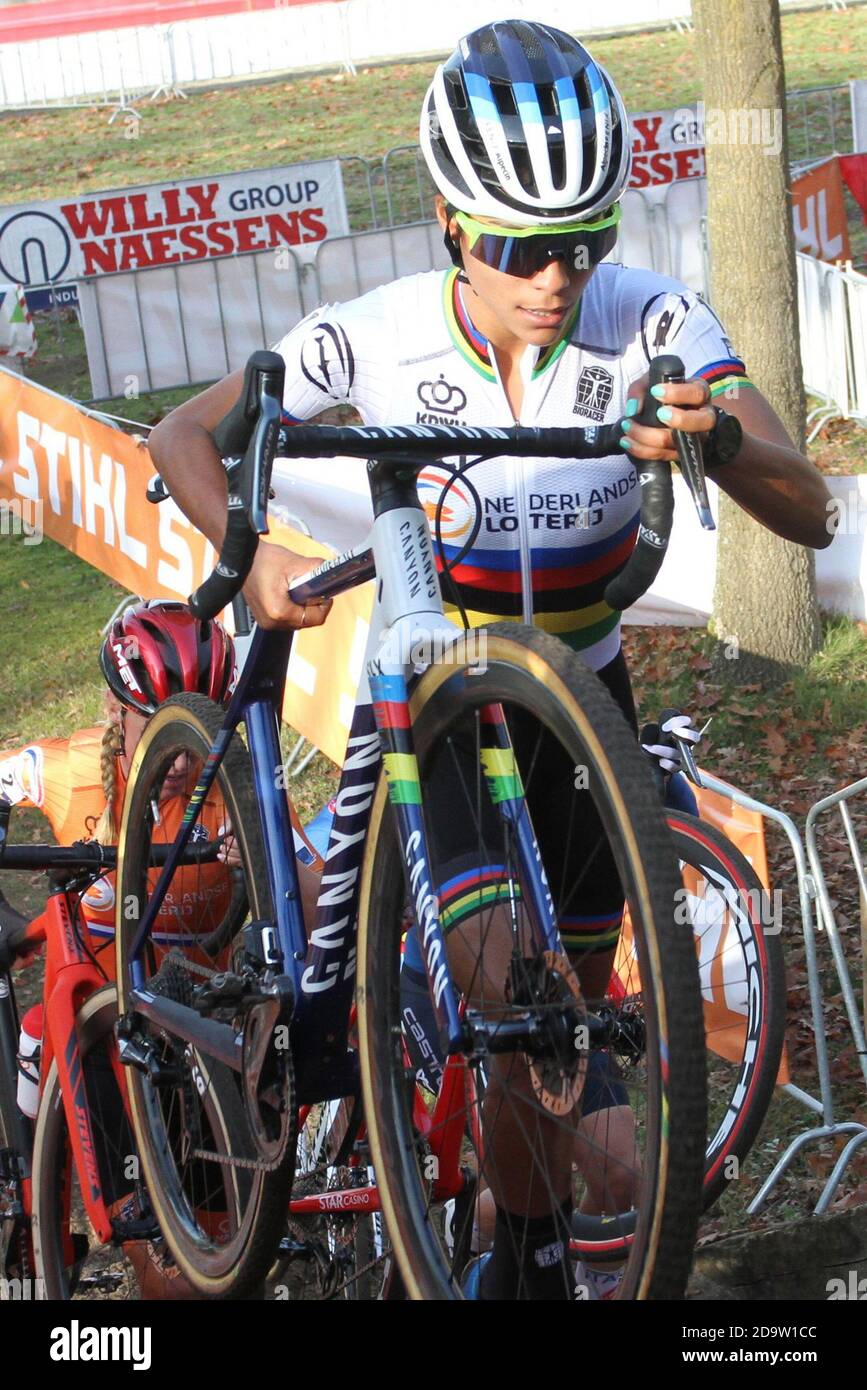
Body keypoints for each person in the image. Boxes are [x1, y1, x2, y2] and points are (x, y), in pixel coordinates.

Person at [147, 20, 834, 1299]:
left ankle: (517, 1256)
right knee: (514, 997)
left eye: (587, 239)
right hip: (443, 708)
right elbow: (185, 435)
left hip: (586, 709)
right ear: (454, 227)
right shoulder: (382, 332)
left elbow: (812, 507)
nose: (558, 278)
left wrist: (723, 445)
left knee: (562, 1029)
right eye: (522, 246)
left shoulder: (655, 318)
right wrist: (249, 562)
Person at [0, 598, 322, 1298]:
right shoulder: (75, 769)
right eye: (158, 722)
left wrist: (268, 862)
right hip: (93, 1035)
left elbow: (320, 897)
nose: (182, 758)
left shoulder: (231, 786)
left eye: (198, 722)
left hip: (191, 1039)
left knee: (210, 1276)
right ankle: (35, 1214)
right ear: (117, 711)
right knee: (34, 1048)